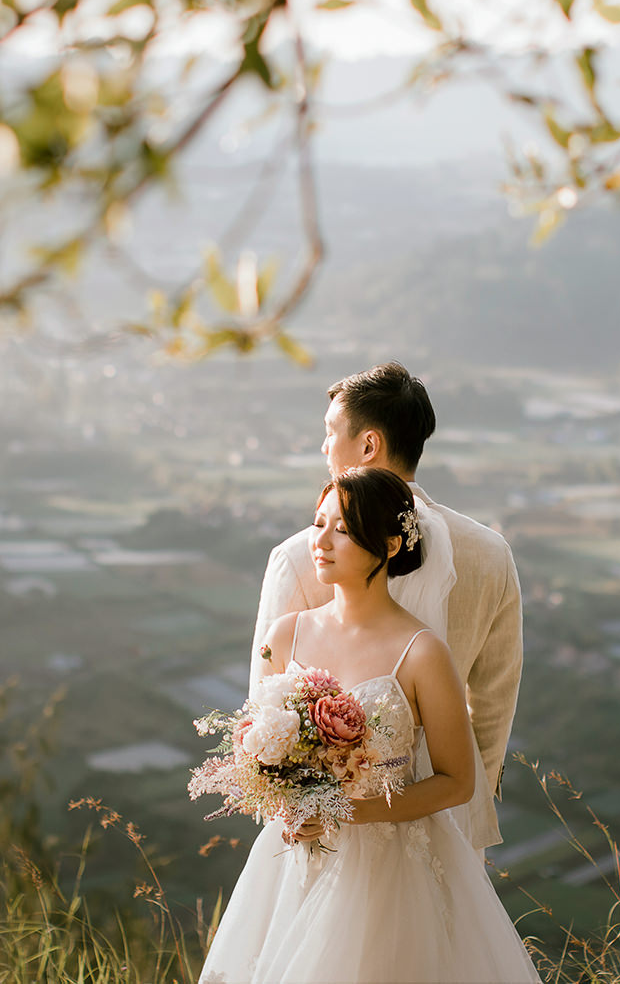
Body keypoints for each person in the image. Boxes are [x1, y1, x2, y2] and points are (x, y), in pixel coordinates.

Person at [200, 468, 541, 984]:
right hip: (292, 859)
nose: (321, 541)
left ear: (388, 543)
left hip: (393, 870)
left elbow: (457, 781)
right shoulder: (285, 634)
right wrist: (290, 803)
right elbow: (259, 747)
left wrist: (348, 812)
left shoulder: (422, 651)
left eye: (342, 529)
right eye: (318, 523)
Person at [250, 363, 522, 854]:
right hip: (450, 822)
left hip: (323, 832)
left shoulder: (300, 554)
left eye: (330, 433)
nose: (324, 448)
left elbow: (266, 715)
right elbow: (494, 701)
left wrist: (304, 803)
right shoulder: (490, 552)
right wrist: (467, 801)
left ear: (369, 445)